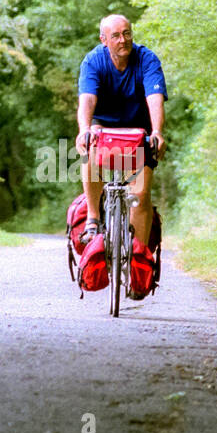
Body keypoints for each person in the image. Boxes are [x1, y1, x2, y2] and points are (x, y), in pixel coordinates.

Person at [74, 14, 166, 267]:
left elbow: (155, 99)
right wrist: (84, 129)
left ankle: (138, 265)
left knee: (141, 195)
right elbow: (87, 99)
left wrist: (157, 132)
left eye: (127, 33)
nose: (123, 40)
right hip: (103, 126)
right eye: (115, 35)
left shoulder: (147, 59)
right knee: (89, 146)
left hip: (139, 128)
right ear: (103, 40)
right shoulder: (93, 61)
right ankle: (93, 218)